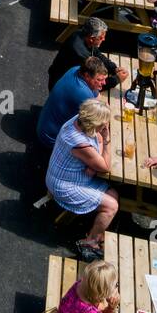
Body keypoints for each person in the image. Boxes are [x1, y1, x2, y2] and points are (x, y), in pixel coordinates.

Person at [46, 98, 118, 262]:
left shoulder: (78, 121)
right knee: (111, 206)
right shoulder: (79, 142)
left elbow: (96, 141)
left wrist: (94, 163)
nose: (105, 128)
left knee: (113, 193)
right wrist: (106, 142)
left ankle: (95, 232)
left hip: (73, 176)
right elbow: (105, 166)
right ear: (94, 124)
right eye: (103, 125)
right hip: (65, 185)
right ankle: (90, 242)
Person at [37, 56, 109, 150]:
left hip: (44, 126)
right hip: (52, 138)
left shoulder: (76, 70)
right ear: (87, 75)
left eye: (104, 79)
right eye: (99, 80)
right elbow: (94, 127)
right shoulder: (82, 93)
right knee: (99, 147)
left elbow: (97, 98)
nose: (104, 83)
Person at [47, 16, 128, 92]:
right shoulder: (80, 54)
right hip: (61, 87)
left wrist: (114, 69)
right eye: (101, 37)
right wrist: (116, 79)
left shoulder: (81, 34)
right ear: (92, 38)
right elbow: (93, 84)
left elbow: (97, 54)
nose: (104, 39)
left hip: (65, 79)